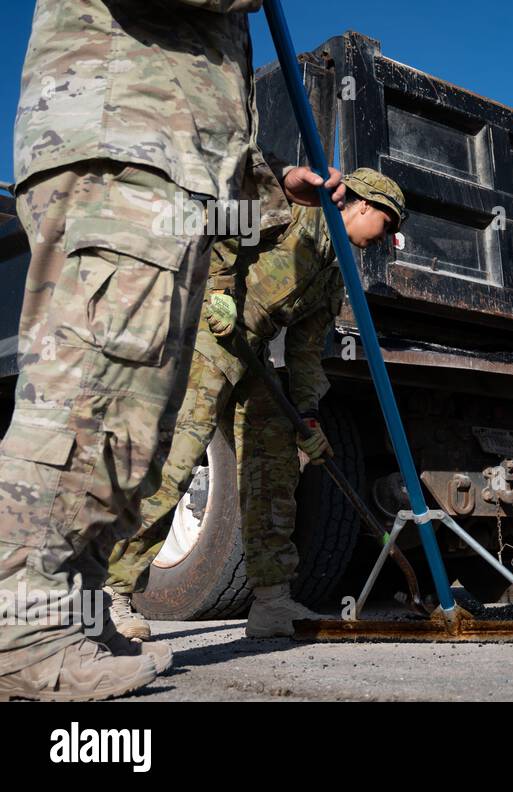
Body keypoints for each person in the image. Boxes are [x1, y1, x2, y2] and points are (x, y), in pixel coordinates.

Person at [0, 1, 343, 702]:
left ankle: (76, 621)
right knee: (88, 405)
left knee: (129, 427)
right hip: (121, 151)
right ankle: (23, 637)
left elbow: (202, 95)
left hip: (170, 171)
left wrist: (274, 178)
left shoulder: (327, 265)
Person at [105, 169, 405, 639]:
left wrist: (307, 415)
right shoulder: (293, 213)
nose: (385, 238)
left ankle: (272, 603)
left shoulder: (332, 273)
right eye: (387, 225)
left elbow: (306, 350)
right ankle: (113, 593)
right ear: (363, 205)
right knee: (177, 459)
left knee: (275, 464)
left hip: (251, 353)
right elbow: (218, 222)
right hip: (207, 331)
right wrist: (222, 289)